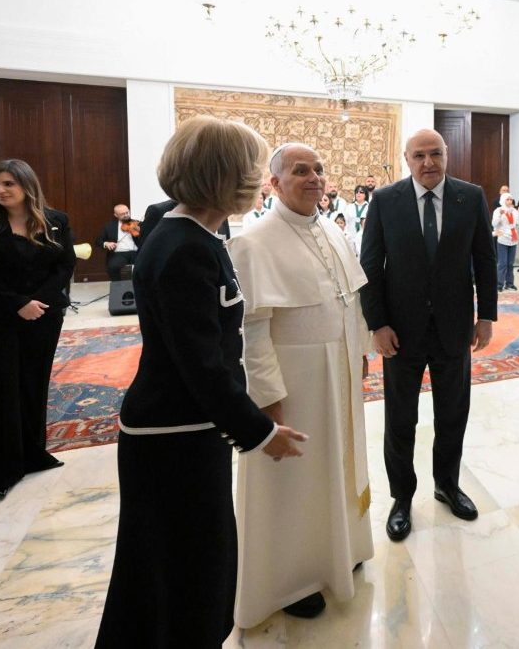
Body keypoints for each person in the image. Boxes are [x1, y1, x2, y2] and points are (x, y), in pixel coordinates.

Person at [95, 117, 306, 649]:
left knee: (182, 567)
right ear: (224, 175)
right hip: (174, 433)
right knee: (185, 570)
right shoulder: (184, 245)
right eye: (255, 169)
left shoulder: (192, 234)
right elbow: (201, 364)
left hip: (189, 428)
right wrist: (259, 432)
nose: (262, 180)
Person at [229, 143, 375, 626]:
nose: (313, 178)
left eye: (318, 170)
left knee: (340, 459)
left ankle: (339, 548)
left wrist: (358, 352)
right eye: (299, 171)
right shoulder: (254, 241)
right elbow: (253, 328)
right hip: (293, 383)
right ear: (273, 184)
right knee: (294, 477)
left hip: (338, 368)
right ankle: (292, 577)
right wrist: (267, 399)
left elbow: (348, 300)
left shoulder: (331, 230)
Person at [360, 128, 498, 543]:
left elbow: (485, 260)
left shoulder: (470, 197)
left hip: (455, 329)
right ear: (407, 159)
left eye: (435, 154)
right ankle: (402, 498)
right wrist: (377, 324)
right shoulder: (386, 201)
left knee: (453, 412)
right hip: (400, 332)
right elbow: (370, 266)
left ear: (447, 154)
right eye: (419, 156)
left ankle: (447, 485)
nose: (428, 163)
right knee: (400, 418)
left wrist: (486, 316)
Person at [0, 160, 75, 499]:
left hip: (44, 315)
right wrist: (17, 303)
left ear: (27, 185)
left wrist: (38, 302)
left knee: (31, 385)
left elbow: (64, 266)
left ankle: (32, 455)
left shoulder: (55, 220)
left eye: (8, 183)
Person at [97, 204, 139, 281]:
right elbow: (98, 241)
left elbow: (146, 238)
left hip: (136, 252)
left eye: (127, 212)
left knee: (146, 265)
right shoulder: (109, 226)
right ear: (116, 215)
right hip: (119, 253)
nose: (126, 215)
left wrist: (139, 230)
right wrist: (106, 243)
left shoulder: (136, 224)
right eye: (123, 214)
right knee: (113, 267)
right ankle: (119, 288)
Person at [492, 193, 519, 291]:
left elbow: (517, 224)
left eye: (511, 199)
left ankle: (510, 283)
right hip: (503, 239)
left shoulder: (515, 211)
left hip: (513, 238)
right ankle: (499, 284)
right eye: (507, 199)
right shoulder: (498, 210)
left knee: (510, 263)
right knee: (502, 263)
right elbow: (494, 223)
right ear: (503, 200)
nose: (510, 201)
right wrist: (500, 214)